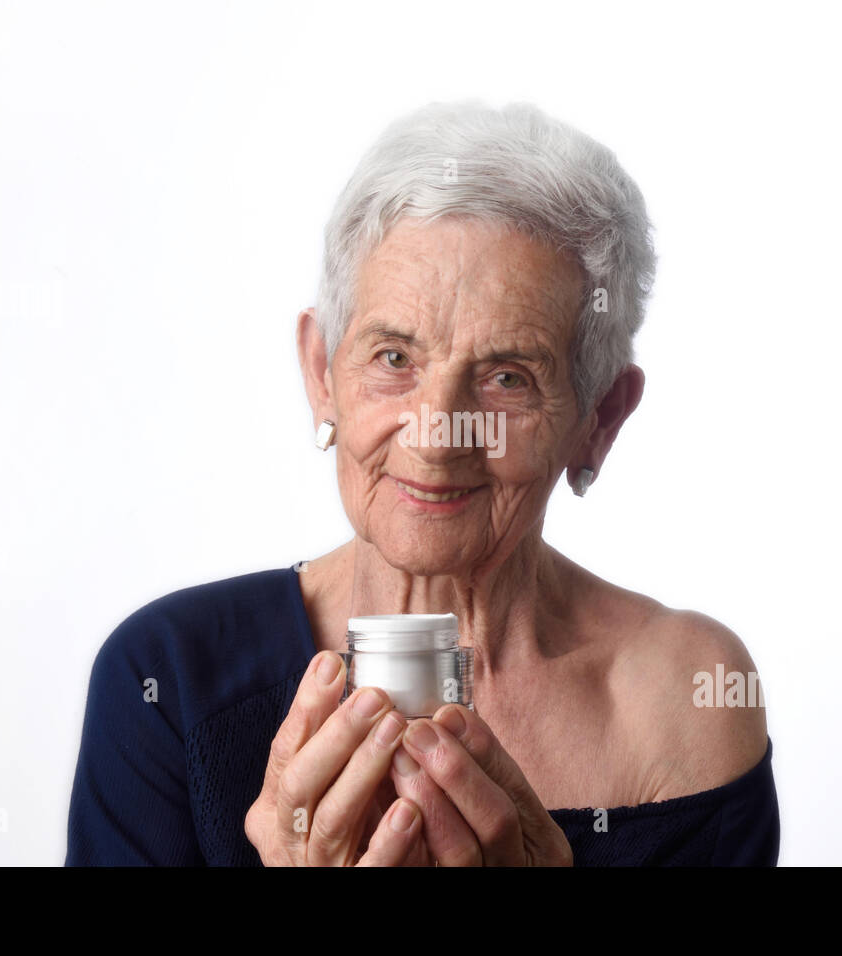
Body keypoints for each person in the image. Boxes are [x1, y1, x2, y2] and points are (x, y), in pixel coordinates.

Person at [65, 100, 778, 866]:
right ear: (321, 371)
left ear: (599, 416)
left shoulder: (689, 698)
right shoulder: (168, 677)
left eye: (507, 377)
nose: (437, 436)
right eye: (395, 359)